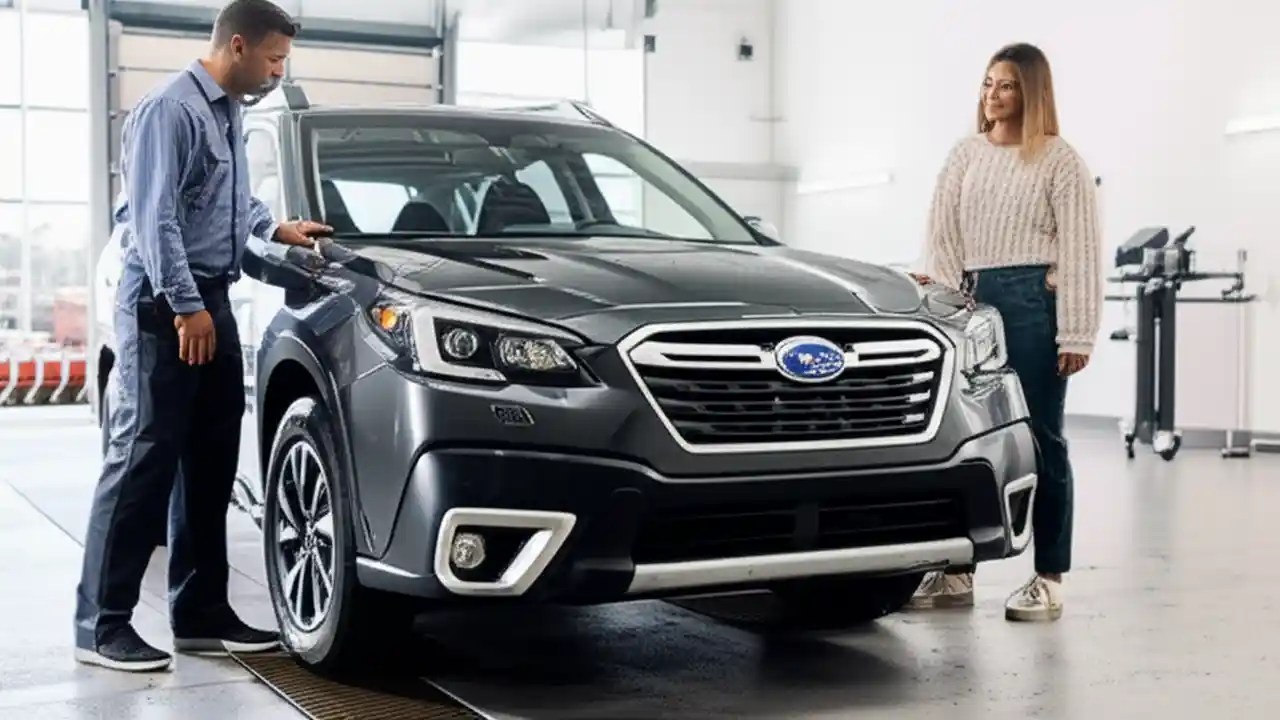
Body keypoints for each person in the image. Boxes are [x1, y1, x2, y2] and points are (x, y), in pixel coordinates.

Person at [74, 0, 331, 672]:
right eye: (274, 59)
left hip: (209, 299)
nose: (279, 71)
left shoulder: (229, 113)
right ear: (238, 46)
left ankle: (199, 612)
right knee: (142, 460)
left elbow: (226, 202)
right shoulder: (171, 110)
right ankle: (100, 625)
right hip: (165, 307)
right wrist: (186, 307)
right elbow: (154, 221)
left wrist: (276, 228)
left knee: (211, 460)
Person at [908, 42, 1102, 622]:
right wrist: (941, 298)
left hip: (1031, 304)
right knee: (959, 438)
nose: (992, 95)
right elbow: (941, 235)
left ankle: (1049, 578)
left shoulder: (1059, 160)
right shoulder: (964, 155)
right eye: (988, 83)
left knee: (1042, 440)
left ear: (1032, 93)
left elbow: (1081, 251)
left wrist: (1077, 333)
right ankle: (956, 570)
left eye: (1008, 85)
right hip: (970, 301)